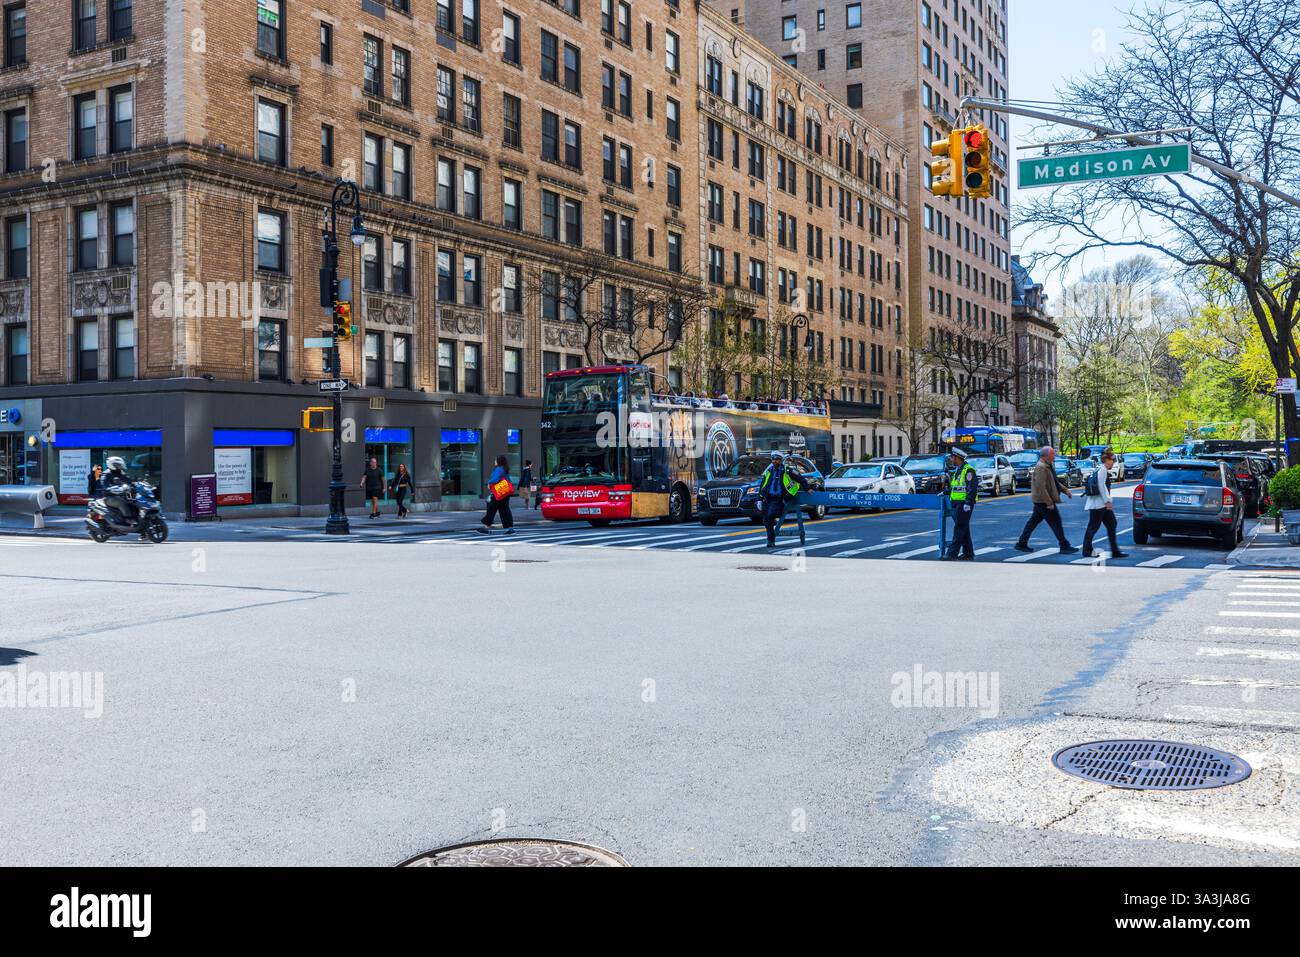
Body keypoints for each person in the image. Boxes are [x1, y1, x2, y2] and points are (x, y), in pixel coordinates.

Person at [1014, 446, 1078, 554]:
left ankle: (1021, 543)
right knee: (1056, 522)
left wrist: (1065, 490)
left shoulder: (1047, 466)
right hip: (1043, 501)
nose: (1054, 456)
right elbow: (1040, 487)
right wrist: (1049, 502)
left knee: (1033, 522)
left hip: (1040, 500)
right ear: (1046, 455)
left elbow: (1053, 482)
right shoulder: (1041, 467)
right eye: (1053, 454)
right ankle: (1064, 545)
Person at [1081, 450, 1128, 559]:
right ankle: (1087, 550)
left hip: (1101, 504)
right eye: (1113, 460)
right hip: (1099, 504)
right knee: (1093, 527)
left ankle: (1115, 551)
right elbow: (1101, 487)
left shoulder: (1100, 469)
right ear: (1107, 460)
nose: (1114, 462)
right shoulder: (1102, 470)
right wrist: (1107, 501)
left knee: (1112, 524)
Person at [758, 451, 801, 548]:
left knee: (770, 516)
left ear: (781, 460)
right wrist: (759, 499)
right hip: (768, 498)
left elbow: (800, 478)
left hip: (779, 499)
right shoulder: (769, 471)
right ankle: (770, 540)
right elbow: (763, 485)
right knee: (766, 519)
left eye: (777, 459)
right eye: (773, 459)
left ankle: (771, 538)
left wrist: (808, 488)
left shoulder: (787, 470)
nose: (775, 461)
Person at [943, 447, 979, 560]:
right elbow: (956, 487)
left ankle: (951, 554)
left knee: (959, 528)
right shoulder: (959, 470)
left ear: (958, 458)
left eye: (952, 457)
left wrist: (968, 502)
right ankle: (968, 553)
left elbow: (972, 488)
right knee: (964, 528)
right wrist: (946, 492)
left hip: (964, 504)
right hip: (957, 503)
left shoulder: (969, 470)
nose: (951, 459)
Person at [476, 454, 516, 534]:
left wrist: (489, 482)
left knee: (491, 509)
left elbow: (495, 479)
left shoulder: (499, 469)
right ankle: (511, 528)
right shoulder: (505, 469)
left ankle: (486, 527)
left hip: (498, 493)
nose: (494, 461)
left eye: (495, 460)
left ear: (499, 461)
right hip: (505, 492)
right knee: (505, 510)